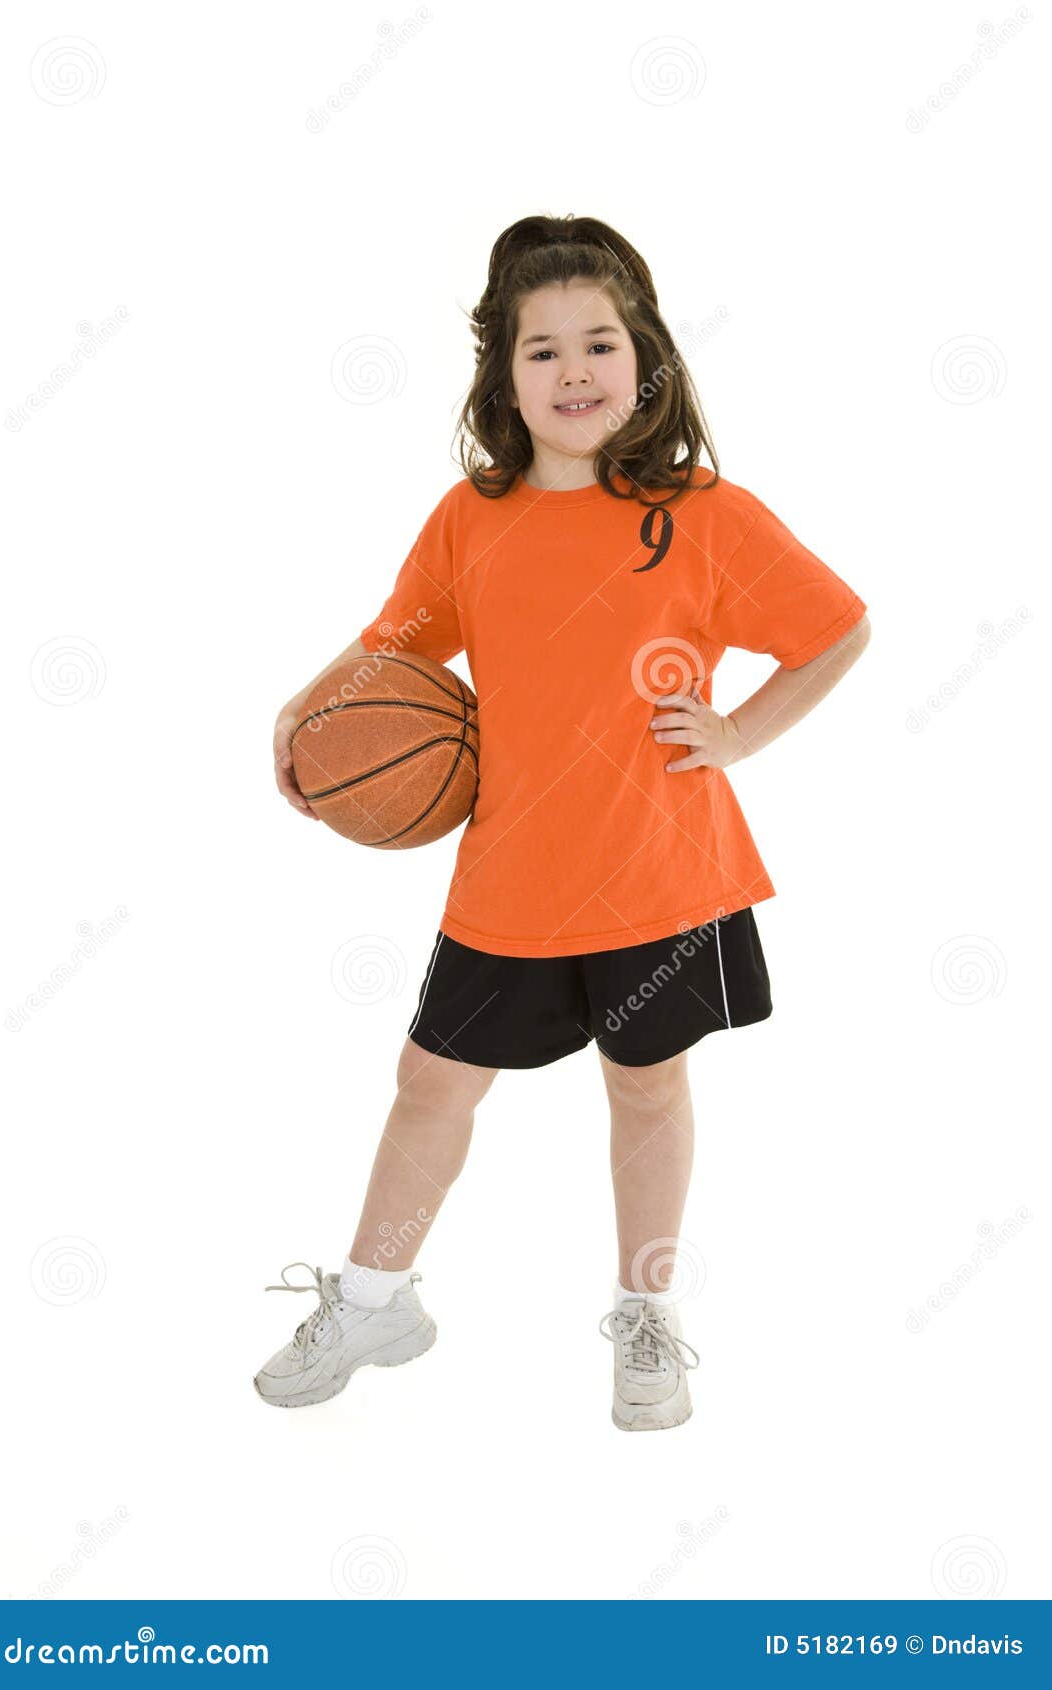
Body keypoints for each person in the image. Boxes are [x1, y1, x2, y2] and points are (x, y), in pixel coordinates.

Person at [257, 214, 871, 1431]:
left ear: (643, 356)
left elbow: (835, 627)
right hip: (515, 873)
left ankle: (646, 1315)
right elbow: (398, 640)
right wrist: (308, 702)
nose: (575, 371)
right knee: (429, 1081)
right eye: (542, 351)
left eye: (599, 342)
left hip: (658, 864)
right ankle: (376, 1296)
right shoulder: (470, 518)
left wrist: (737, 735)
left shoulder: (702, 510)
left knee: (644, 1090)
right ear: (503, 376)